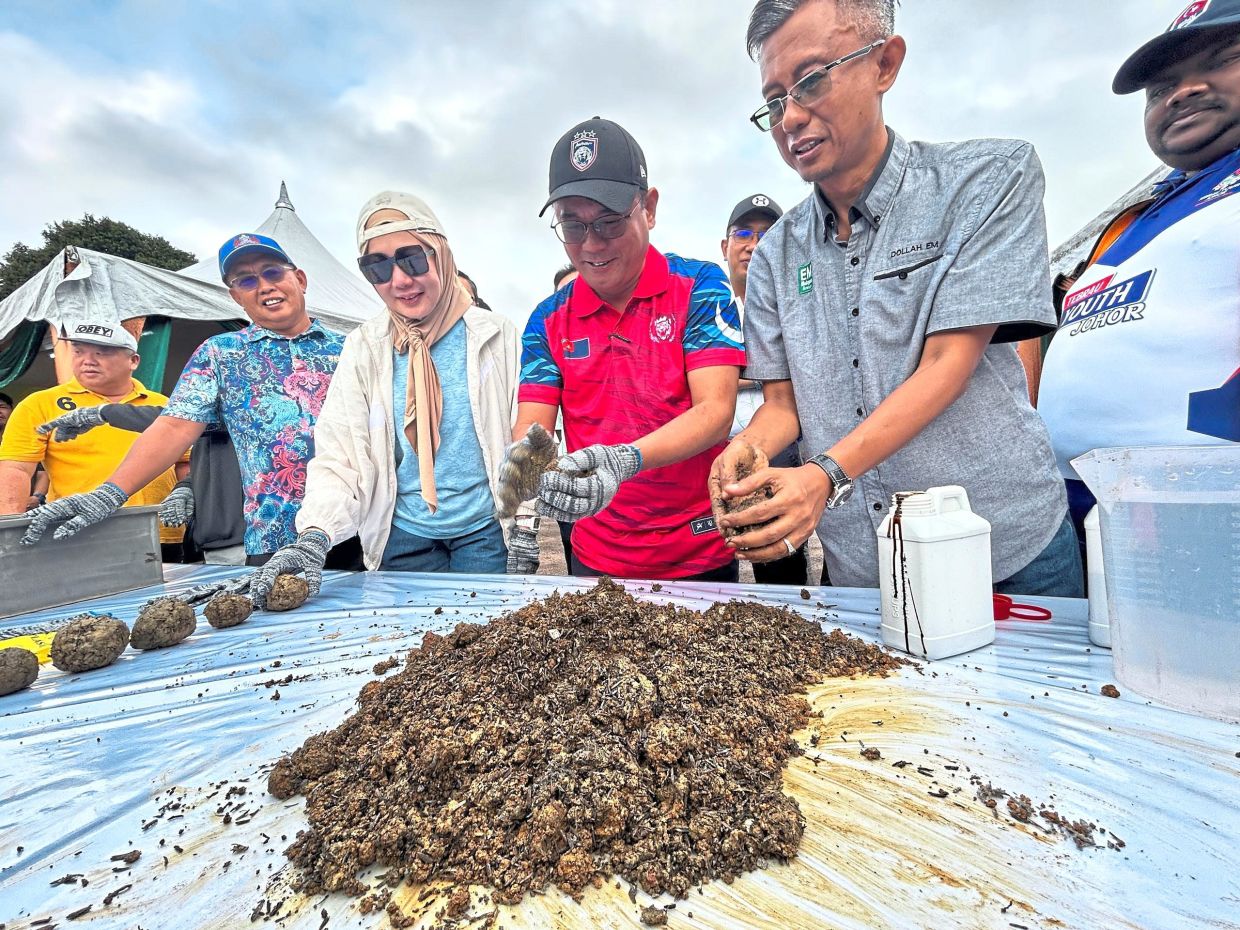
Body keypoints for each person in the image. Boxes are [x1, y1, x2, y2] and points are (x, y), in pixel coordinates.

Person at [715, 0, 1082, 596]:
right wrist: (746, 448)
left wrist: (825, 475)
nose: (791, 118)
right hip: (867, 567)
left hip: (1005, 554)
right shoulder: (776, 255)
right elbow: (782, 405)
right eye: (775, 99)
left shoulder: (987, 179)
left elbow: (949, 363)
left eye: (810, 81)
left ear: (885, 64)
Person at [249, 191, 528, 607]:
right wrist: (314, 534)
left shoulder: (496, 334)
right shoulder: (366, 346)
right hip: (405, 534)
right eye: (377, 267)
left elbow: (524, 435)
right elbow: (341, 451)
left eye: (413, 258)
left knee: (484, 648)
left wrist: (523, 522)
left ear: (441, 254)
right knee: (409, 651)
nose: (399, 280)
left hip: (483, 534)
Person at [21, 233, 360, 575]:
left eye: (273, 273)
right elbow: (173, 426)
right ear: (236, 297)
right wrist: (109, 494)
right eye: (246, 280)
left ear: (299, 279)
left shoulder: (353, 350)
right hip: (275, 535)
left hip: (361, 528)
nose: (264, 286)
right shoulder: (220, 354)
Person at [1038, 0, 1240, 552]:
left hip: (1206, 520)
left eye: (1225, 59)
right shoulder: (1130, 221)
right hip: (1074, 513)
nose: (1182, 92)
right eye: (1160, 89)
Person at [513, 117, 746, 581]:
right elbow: (532, 428)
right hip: (596, 555)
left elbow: (716, 410)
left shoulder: (699, 286)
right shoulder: (547, 318)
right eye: (573, 226)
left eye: (610, 221)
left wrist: (625, 459)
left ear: (650, 207)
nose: (593, 244)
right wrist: (525, 488)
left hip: (695, 549)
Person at [2, 321, 189, 559]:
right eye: (79, 351)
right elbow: (15, 469)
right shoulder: (39, 405)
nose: (88, 360)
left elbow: (185, 462)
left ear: (133, 361)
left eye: (103, 352)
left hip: (161, 532)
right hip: (76, 532)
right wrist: (9, 536)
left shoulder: (164, 405)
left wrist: (187, 499)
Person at [721, 193, 810, 587]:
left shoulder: (796, 307)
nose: (754, 244)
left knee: (780, 565)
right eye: (743, 233)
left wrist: (729, 374)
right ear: (725, 246)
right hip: (719, 453)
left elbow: (802, 375)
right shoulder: (708, 306)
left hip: (782, 453)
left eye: (767, 232)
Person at [38, 403, 247, 564]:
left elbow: (178, 423)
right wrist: (187, 488)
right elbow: (219, 459)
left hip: (245, 544)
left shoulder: (251, 404)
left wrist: (105, 413)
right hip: (210, 544)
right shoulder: (215, 410)